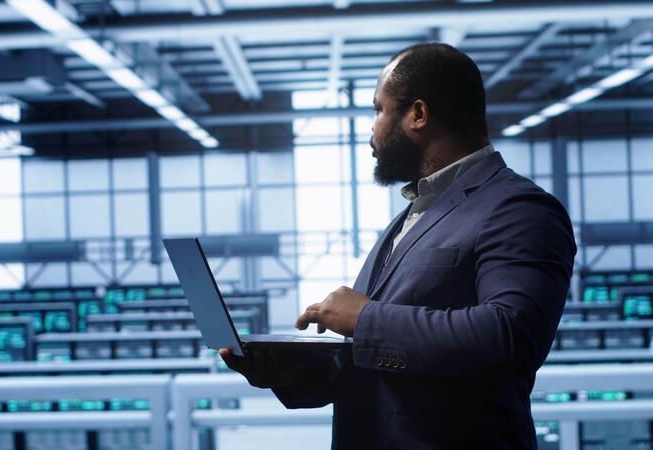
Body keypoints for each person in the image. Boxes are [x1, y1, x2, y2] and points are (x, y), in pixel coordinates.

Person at [220, 43, 576, 450]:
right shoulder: (412, 215)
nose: (371, 129)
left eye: (378, 110)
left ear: (418, 114)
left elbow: (510, 337)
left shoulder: (518, 208)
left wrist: (365, 318)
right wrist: (289, 375)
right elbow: (382, 361)